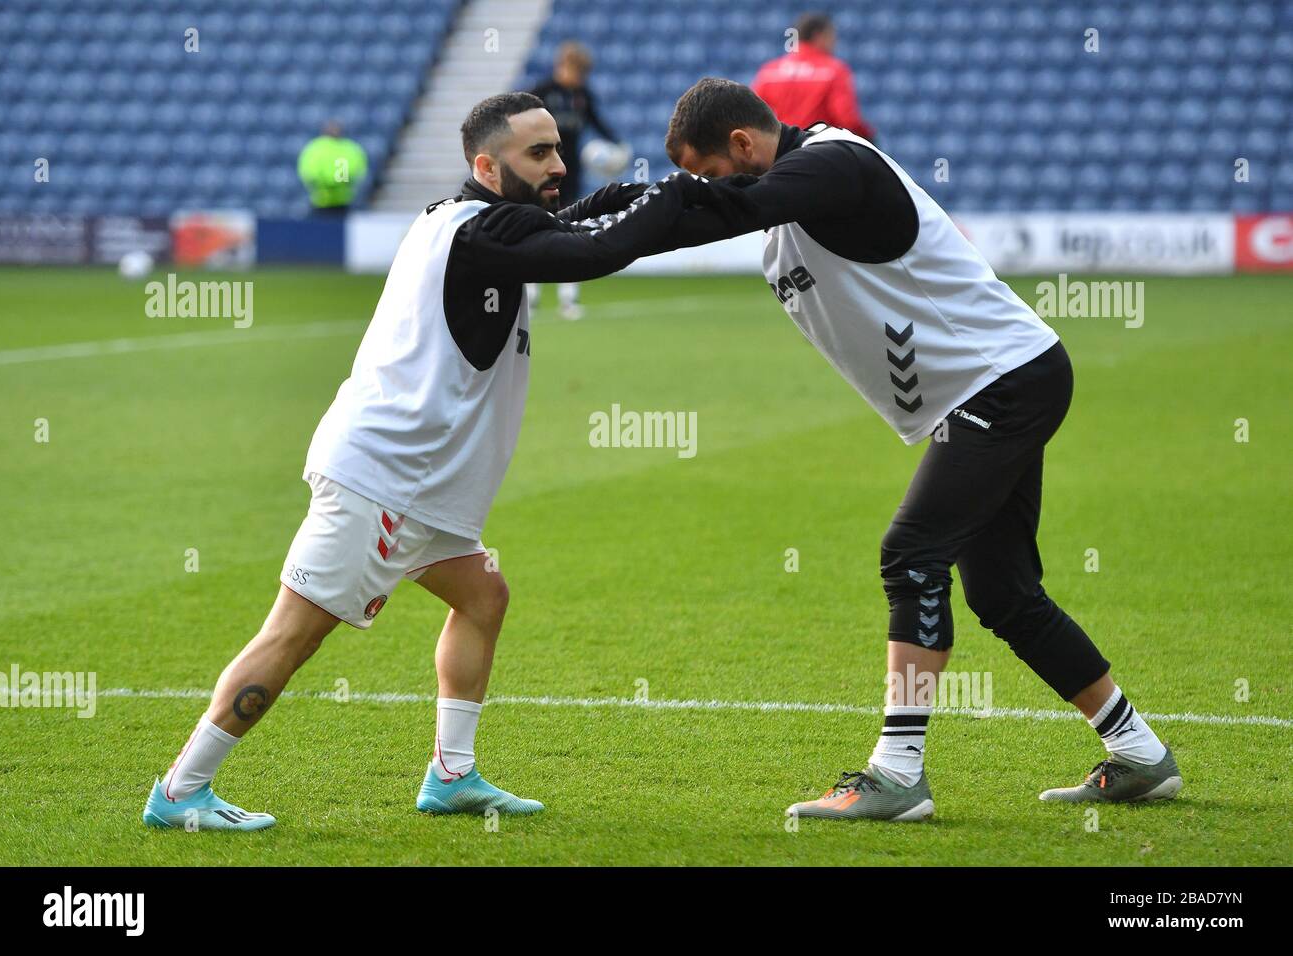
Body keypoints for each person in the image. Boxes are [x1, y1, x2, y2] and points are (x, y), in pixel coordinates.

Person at [490, 78, 1183, 822]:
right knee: (1003, 593)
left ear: (743, 144)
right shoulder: (782, 194)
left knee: (911, 556)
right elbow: (678, 214)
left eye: (711, 171)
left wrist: (603, 226)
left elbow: (715, 209)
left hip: (1003, 382)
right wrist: (552, 224)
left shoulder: (834, 164)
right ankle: (1140, 754)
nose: (707, 188)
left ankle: (898, 773)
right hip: (992, 386)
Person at [141, 92, 727, 830]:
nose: (558, 163)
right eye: (538, 153)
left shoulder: (463, 218)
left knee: (483, 597)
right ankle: (182, 790)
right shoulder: (487, 231)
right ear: (487, 166)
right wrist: (678, 191)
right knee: (293, 634)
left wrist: (636, 193)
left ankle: (451, 774)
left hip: (418, 481)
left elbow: (574, 221)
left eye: (556, 147)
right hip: (384, 477)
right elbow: (596, 251)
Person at [527, 41, 626, 319]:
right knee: (533, 230)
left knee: (568, 231)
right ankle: (530, 299)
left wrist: (618, 144)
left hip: (569, 175)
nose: (579, 78)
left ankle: (568, 299)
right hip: (540, 173)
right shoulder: (541, 93)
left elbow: (597, 122)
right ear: (563, 66)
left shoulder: (582, 95)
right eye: (576, 71)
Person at [751, 12, 877, 142]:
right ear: (819, 36)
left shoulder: (770, 71)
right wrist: (868, 137)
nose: (834, 42)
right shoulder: (834, 70)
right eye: (832, 36)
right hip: (821, 148)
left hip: (783, 149)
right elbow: (846, 118)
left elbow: (753, 114)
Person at [297, 121, 369, 217]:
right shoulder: (316, 148)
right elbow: (309, 172)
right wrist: (331, 182)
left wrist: (336, 182)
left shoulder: (348, 148)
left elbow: (357, 170)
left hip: (342, 201)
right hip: (322, 201)